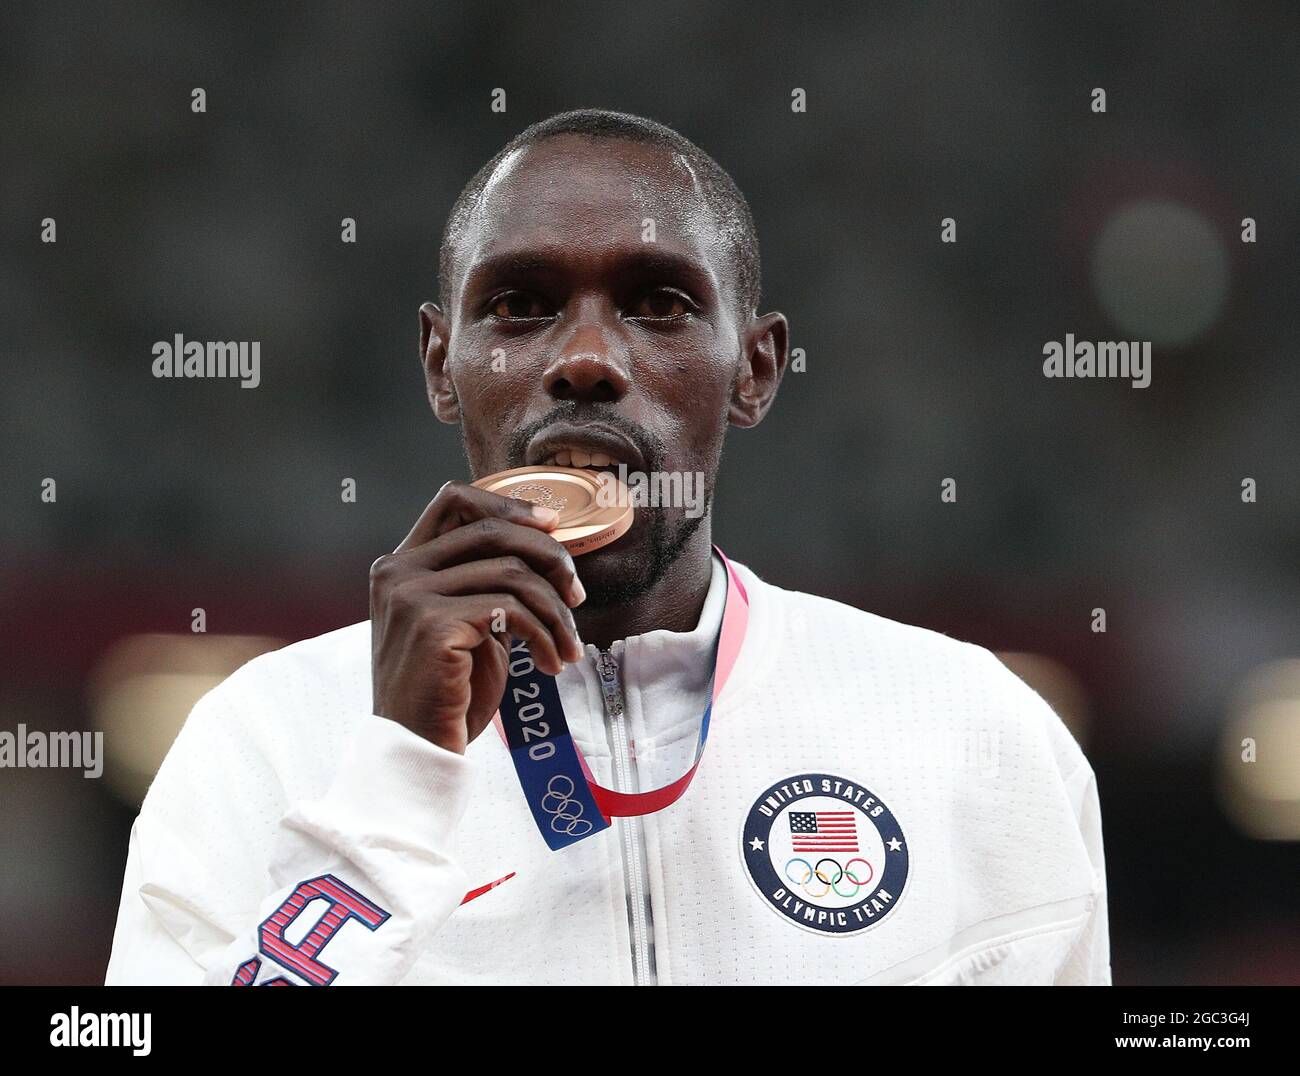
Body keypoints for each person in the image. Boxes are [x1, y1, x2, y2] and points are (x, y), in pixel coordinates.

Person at [105, 108, 1109, 986]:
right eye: (520, 304)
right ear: (441, 366)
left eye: (657, 303)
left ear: (753, 370)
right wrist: (396, 775)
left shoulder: (973, 736)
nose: (584, 359)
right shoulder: (262, 740)